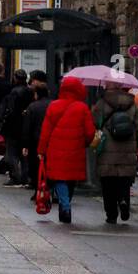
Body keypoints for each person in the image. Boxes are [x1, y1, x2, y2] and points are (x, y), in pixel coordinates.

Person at [38, 76, 96, 225]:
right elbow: (90, 132)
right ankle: (65, 204)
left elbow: (46, 131)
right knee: (70, 179)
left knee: (60, 178)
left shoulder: (53, 105)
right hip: (75, 150)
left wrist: (41, 150)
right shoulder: (82, 108)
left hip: (55, 150)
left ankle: (65, 207)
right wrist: (84, 143)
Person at [92, 84, 138, 225]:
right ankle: (123, 201)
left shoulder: (102, 102)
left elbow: (95, 123)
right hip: (127, 147)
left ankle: (111, 214)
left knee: (108, 182)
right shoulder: (132, 103)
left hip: (107, 148)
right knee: (124, 179)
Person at [0, 69, 35, 188]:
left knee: (11, 154)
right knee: (24, 154)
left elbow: (10, 111)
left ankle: (15, 176)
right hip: (26, 127)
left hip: (14, 127)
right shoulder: (30, 91)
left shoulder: (14, 92)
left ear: (15, 78)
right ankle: (25, 177)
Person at [21, 81, 51, 193]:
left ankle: (38, 190)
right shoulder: (53, 104)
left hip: (35, 142)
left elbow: (27, 128)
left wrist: (25, 145)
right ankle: (48, 189)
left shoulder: (32, 107)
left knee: (35, 167)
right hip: (50, 141)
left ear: (37, 94)